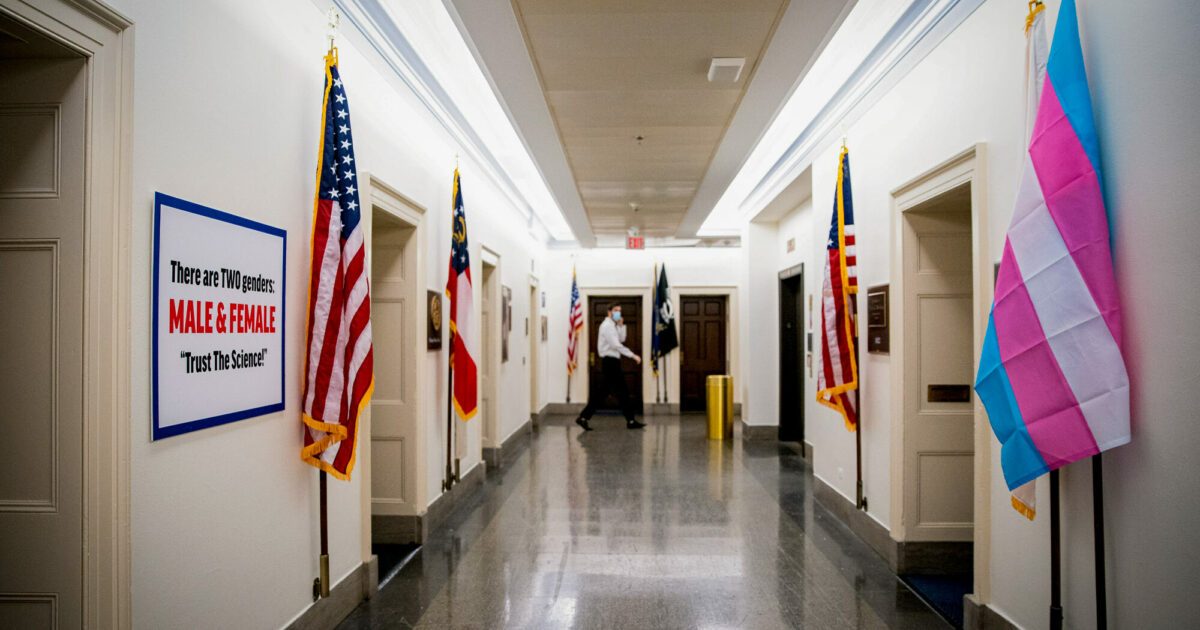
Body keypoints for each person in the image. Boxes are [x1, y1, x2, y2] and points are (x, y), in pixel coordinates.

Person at [576, 304, 646, 430]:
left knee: (617, 392)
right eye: (615, 311)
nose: (618, 313)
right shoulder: (607, 326)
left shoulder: (613, 325)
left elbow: (621, 339)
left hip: (613, 362)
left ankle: (629, 420)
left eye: (619, 311)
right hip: (610, 362)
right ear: (609, 312)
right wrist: (633, 355)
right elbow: (615, 345)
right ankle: (629, 421)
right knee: (614, 392)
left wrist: (621, 326)